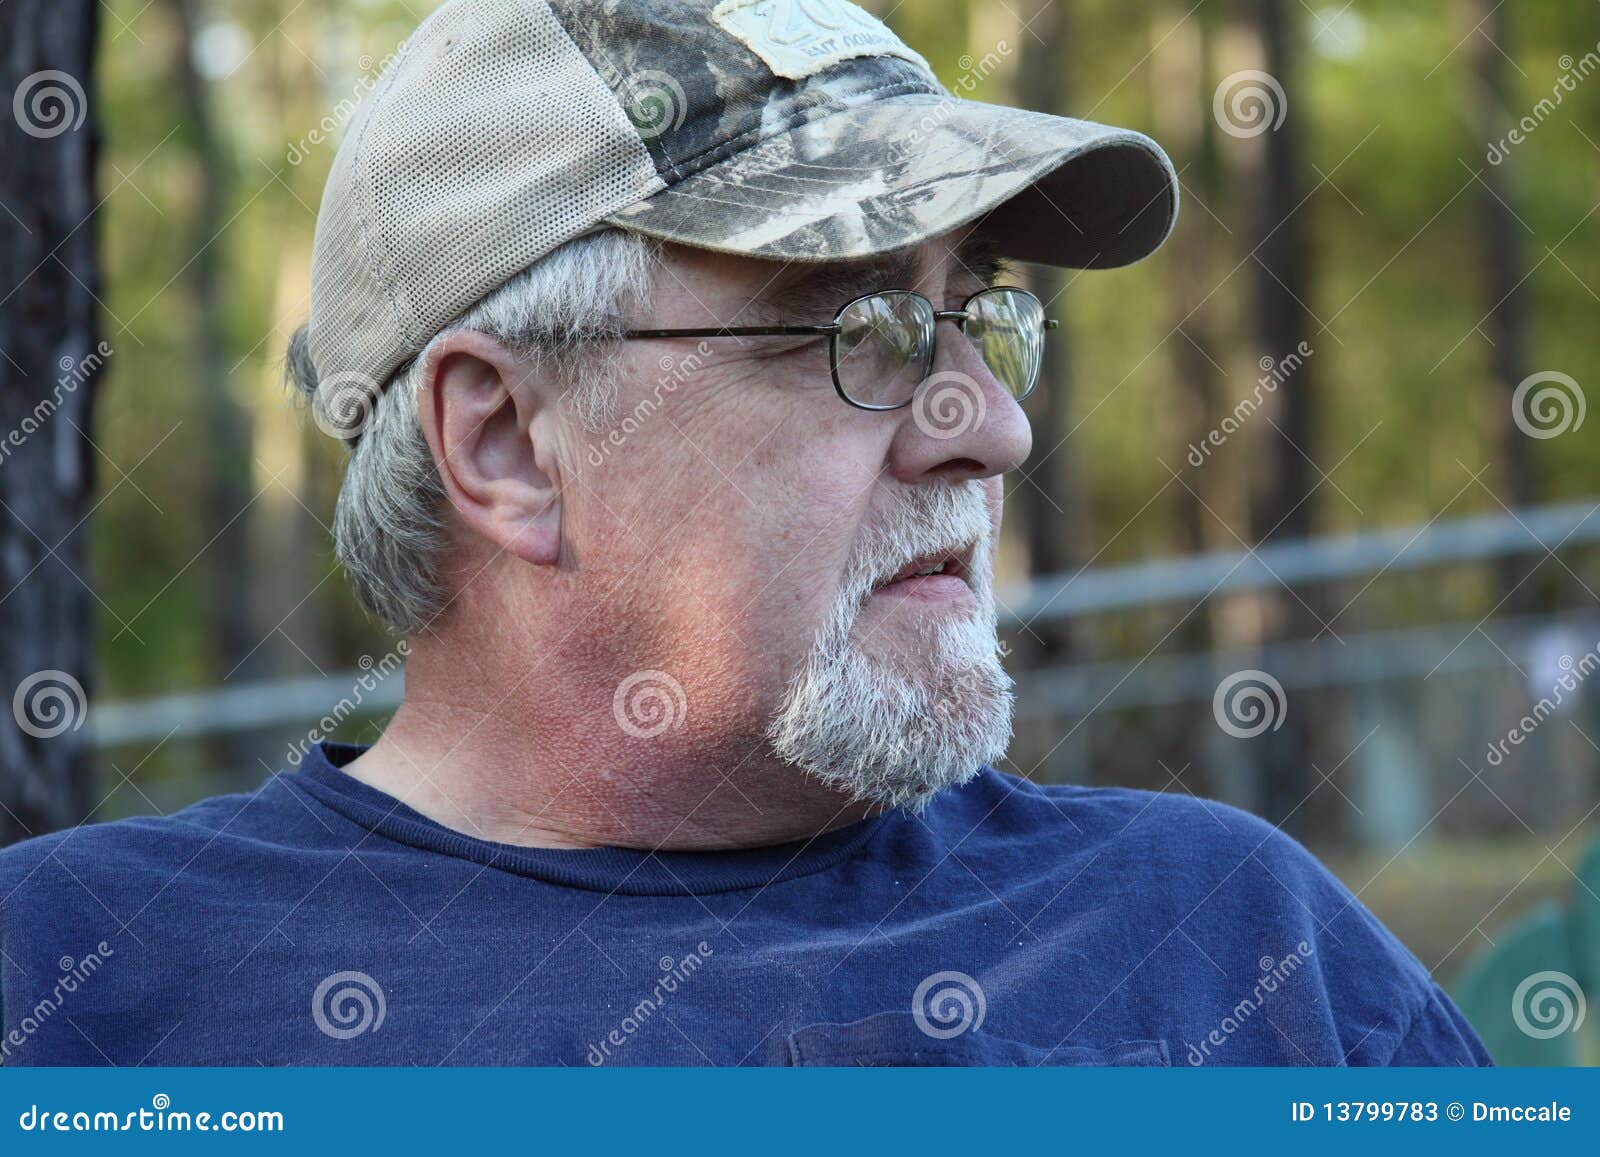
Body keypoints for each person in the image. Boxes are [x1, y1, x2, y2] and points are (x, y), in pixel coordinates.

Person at [0, 0, 1489, 1066]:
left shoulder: (1227, 939)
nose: (991, 424)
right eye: (862, 324)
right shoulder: (87, 996)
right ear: (507, 444)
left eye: (977, 310)